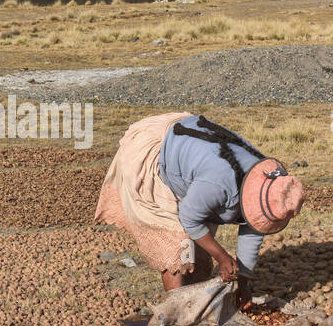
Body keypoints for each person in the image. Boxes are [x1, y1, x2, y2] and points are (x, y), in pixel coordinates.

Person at [95, 113, 305, 297]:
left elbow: (252, 232)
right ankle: (177, 313)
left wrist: (243, 282)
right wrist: (222, 257)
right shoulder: (218, 183)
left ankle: (198, 298)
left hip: (193, 158)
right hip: (156, 154)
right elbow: (189, 218)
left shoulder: (268, 185)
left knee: (198, 250)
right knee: (176, 245)